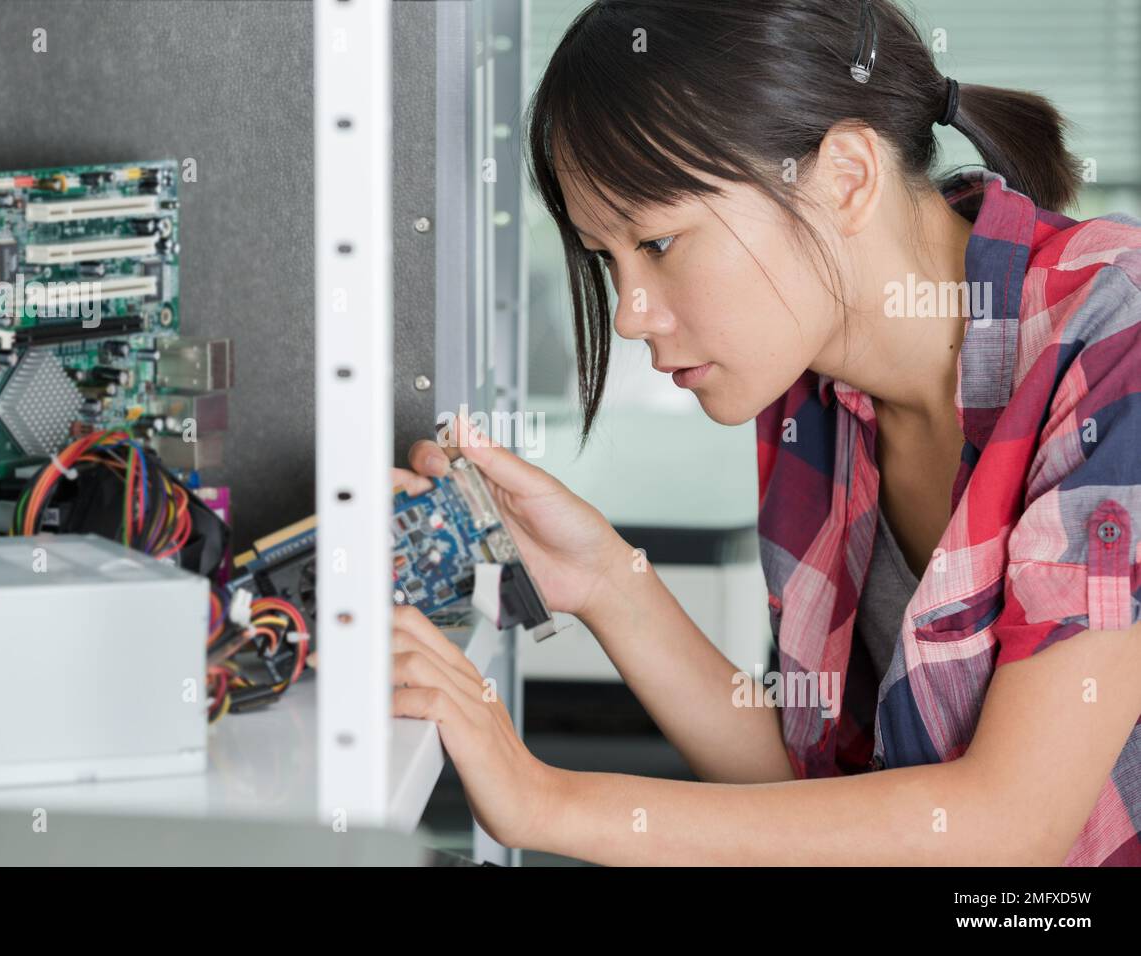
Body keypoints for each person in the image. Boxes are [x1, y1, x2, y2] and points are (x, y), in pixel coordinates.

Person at [390, 0, 1141, 865]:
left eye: (660, 243)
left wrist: (543, 801)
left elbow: (1008, 829)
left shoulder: (1112, 333)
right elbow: (820, 800)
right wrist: (604, 578)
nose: (629, 315)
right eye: (609, 260)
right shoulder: (810, 383)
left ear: (846, 177)